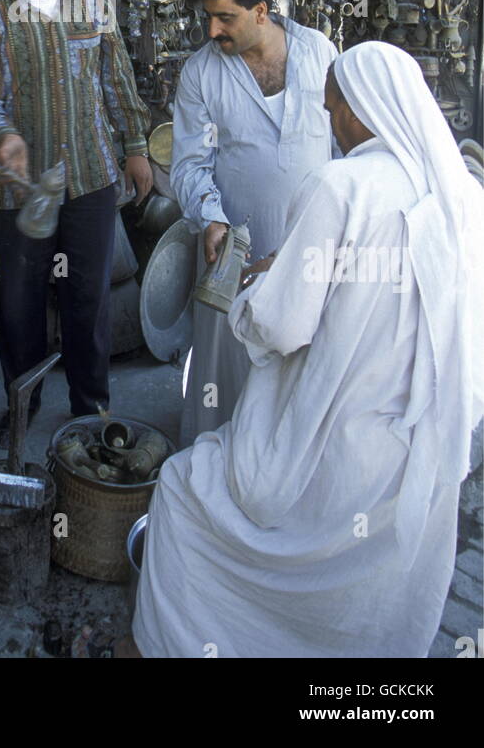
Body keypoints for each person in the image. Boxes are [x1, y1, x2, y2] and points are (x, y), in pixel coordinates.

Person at [131, 42, 484, 659]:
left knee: (184, 487)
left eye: (333, 113)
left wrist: (257, 285)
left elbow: (282, 327)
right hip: (414, 449)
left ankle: (185, 643)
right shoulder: (463, 199)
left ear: (358, 108)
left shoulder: (340, 187)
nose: (332, 128)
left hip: (330, 445)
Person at [0, 0, 152, 443]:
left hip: (91, 175)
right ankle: (22, 409)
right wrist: (5, 136)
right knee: (20, 307)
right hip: (21, 190)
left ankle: (91, 409)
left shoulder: (93, 4)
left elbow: (117, 80)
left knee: (87, 299)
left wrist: (135, 145)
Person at [170, 0, 336, 443]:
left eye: (226, 18)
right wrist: (211, 218)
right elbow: (189, 165)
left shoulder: (320, 52)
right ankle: (218, 481)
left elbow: (343, 147)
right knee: (228, 380)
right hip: (231, 254)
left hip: (310, 248)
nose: (213, 31)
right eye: (209, 18)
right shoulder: (201, 74)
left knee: (303, 372)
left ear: (261, 11)